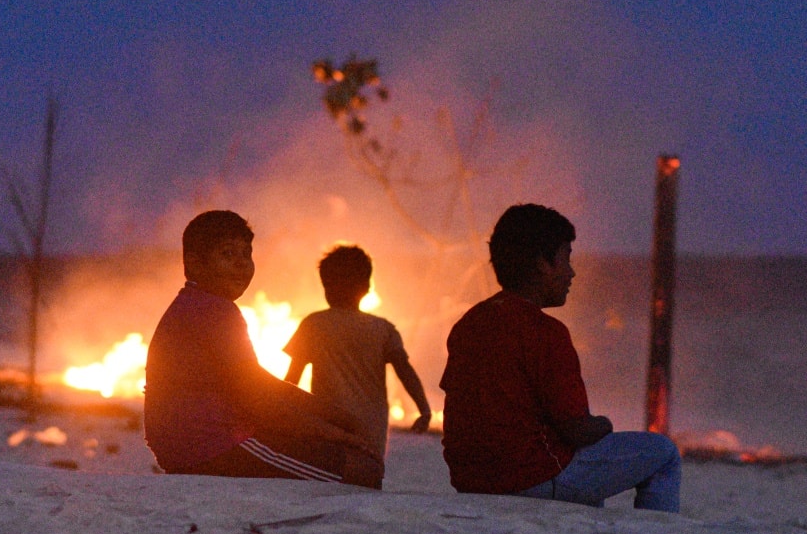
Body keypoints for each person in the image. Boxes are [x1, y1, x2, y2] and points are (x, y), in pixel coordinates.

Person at [440, 203, 681, 512]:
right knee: (663, 454)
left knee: (589, 478)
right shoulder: (545, 331)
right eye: (566, 258)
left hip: (471, 480)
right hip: (529, 478)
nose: (572, 272)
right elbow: (577, 430)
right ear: (543, 264)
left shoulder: (469, 323)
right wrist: (604, 424)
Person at [143, 210, 382, 488]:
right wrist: (335, 432)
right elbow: (261, 403)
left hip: (196, 445)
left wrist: (336, 417)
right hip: (212, 447)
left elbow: (260, 382)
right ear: (194, 264)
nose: (241, 264)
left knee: (340, 450)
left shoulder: (199, 305)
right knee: (363, 470)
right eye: (228, 254)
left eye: (246, 254)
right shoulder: (215, 312)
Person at [283, 245, 433, 484]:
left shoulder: (313, 325)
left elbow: (292, 380)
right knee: (367, 486)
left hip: (328, 430)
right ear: (367, 288)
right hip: (371, 434)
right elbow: (405, 371)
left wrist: (282, 412)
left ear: (326, 287)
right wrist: (423, 408)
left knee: (329, 487)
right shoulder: (383, 329)